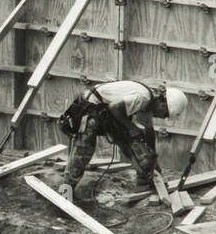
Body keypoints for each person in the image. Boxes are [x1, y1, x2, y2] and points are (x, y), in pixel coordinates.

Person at [60, 80, 188, 195]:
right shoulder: (143, 98)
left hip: (105, 110)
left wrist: (153, 163)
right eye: (165, 114)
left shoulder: (149, 103)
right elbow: (114, 107)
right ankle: (66, 190)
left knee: (135, 141)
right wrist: (131, 128)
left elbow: (149, 132)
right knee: (84, 150)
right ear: (163, 103)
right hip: (90, 107)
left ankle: (144, 180)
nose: (163, 117)